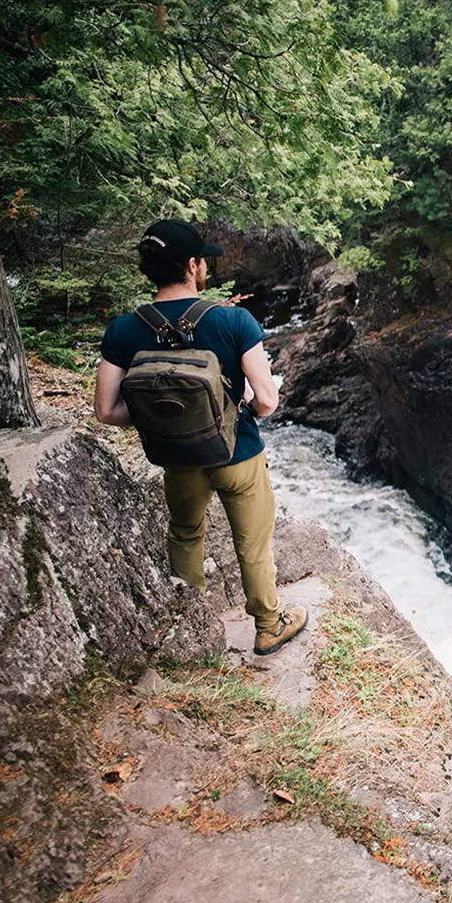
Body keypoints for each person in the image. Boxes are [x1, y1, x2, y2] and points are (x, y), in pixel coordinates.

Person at [93, 219, 307, 656]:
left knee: (186, 535)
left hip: (177, 459)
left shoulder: (123, 331)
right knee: (252, 542)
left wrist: (165, 419)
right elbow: (267, 401)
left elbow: (106, 411)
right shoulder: (233, 321)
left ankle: (194, 631)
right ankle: (268, 625)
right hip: (238, 454)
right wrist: (241, 406)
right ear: (192, 265)